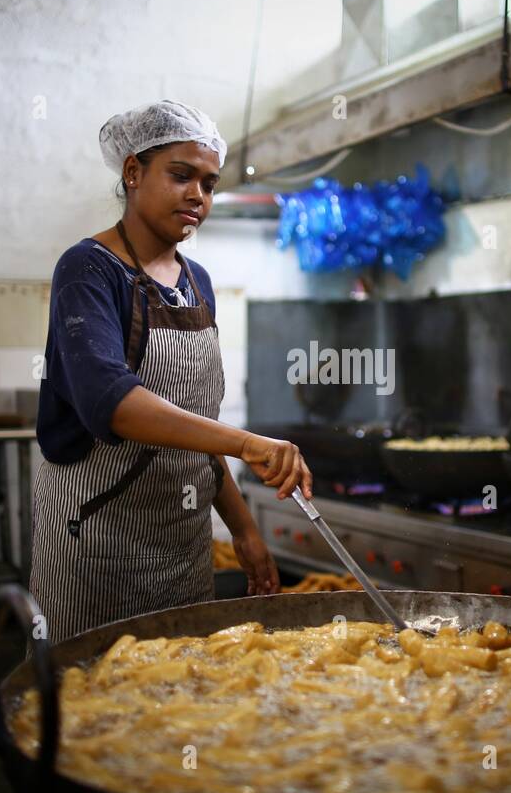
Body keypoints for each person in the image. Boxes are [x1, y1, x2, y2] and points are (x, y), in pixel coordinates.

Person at [29, 100, 312, 644]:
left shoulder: (197, 281)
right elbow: (109, 401)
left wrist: (244, 528)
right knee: (95, 695)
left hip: (182, 544)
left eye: (208, 184)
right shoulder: (87, 268)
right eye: (180, 176)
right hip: (97, 541)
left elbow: (196, 425)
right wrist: (250, 444)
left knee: (178, 697)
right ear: (132, 172)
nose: (197, 197)